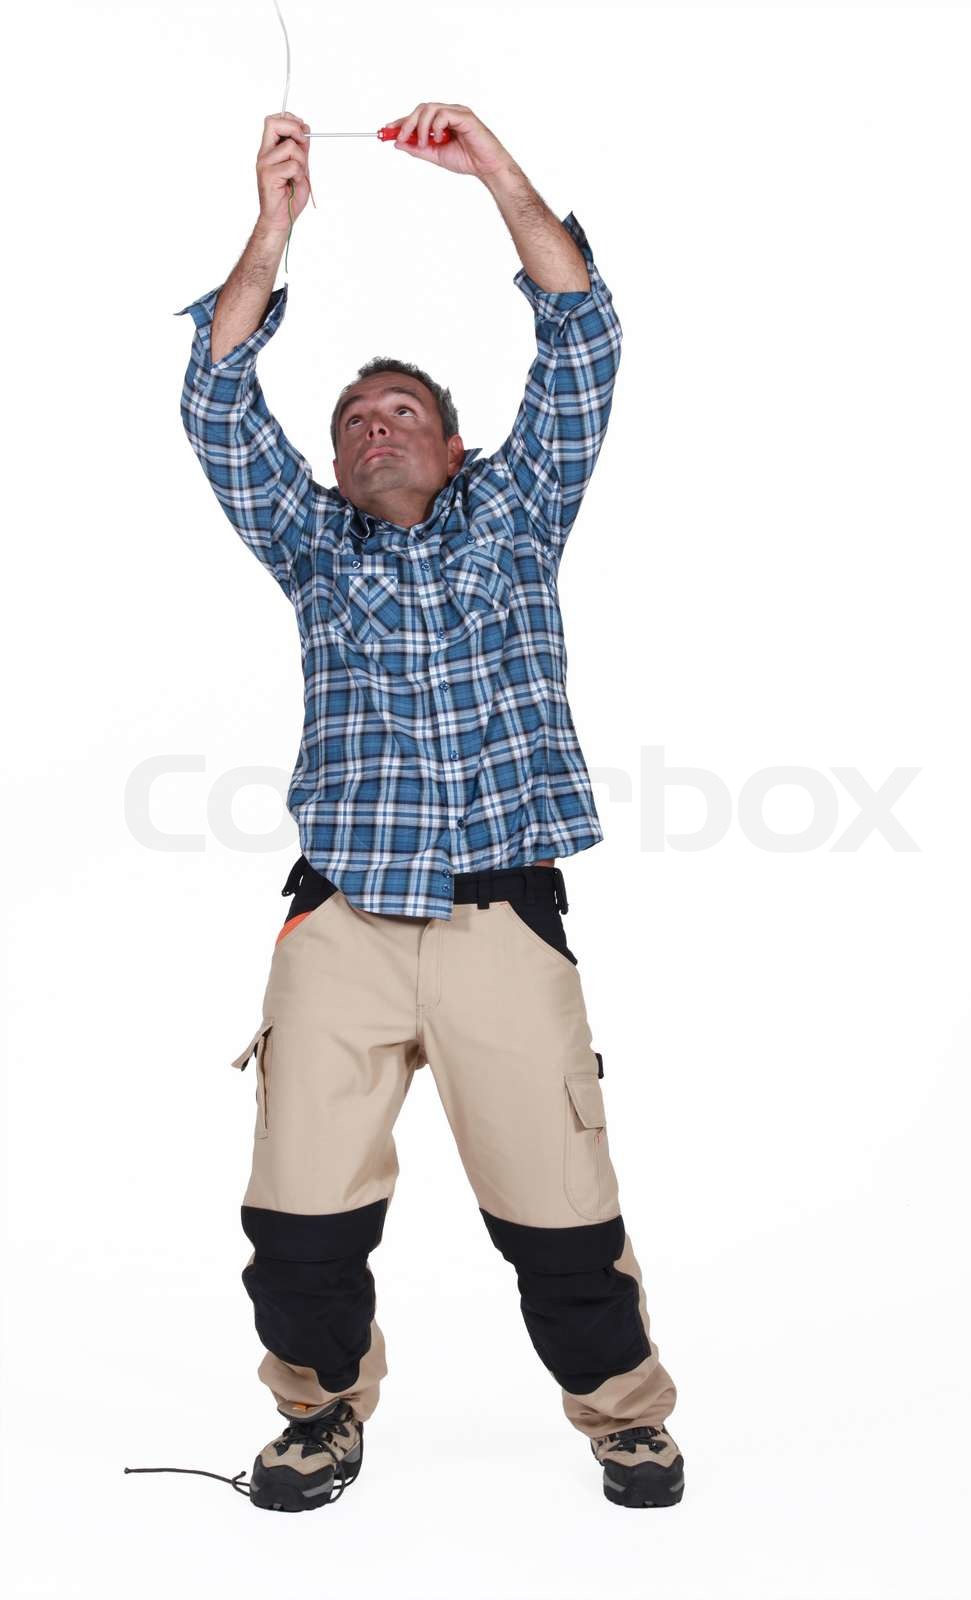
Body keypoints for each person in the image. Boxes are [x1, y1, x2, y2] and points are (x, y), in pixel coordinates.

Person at [174, 104, 683, 1513]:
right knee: (297, 1218)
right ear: (337, 466)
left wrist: (495, 176)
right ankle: (319, 1416)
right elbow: (217, 399)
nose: (371, 426)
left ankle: (624, 1416)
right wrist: (274, 228)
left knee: (563, 1214)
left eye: (401, 413)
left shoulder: (517, 513)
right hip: (338, 918)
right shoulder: (309, 541)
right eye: (351, 422)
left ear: (454, 451)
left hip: (499, 916)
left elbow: (583, 337)